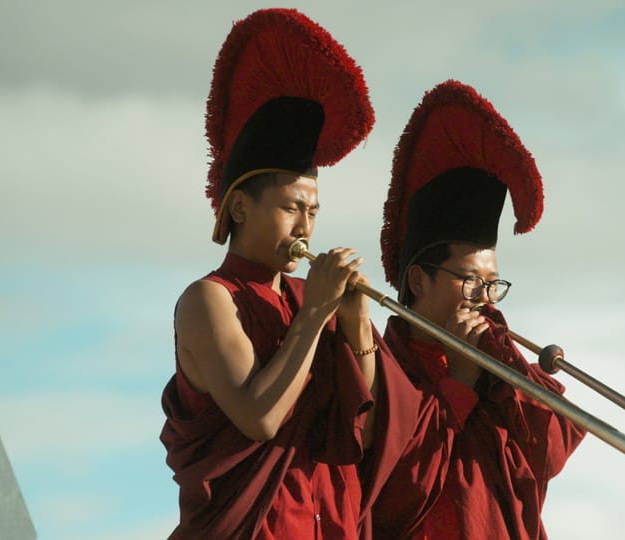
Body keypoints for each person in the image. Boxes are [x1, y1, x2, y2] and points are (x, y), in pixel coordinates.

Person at [160, 9, 417, 539]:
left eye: (313, 211)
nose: (305, 226)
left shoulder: (311, 296)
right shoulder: (209, 300)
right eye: (290, 207)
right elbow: (259, 418)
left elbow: (364, 430)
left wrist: (354, 324)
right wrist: (316, 312)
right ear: (239, 207)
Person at [373, 80, 588, 539]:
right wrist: (459, 383)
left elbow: (549, 453)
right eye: (472, 281)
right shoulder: (381, 368)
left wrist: (502, 363)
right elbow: (391, 496)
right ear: (419, 280)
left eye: (494, 285)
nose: (486, 299)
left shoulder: (502, 366)